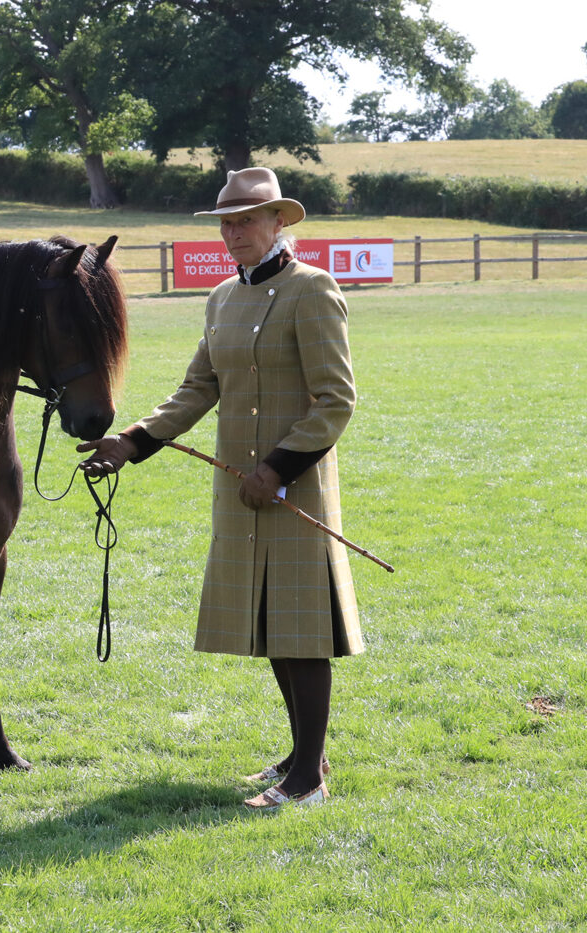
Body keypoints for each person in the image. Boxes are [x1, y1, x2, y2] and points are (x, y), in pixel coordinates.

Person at [77, 167, 361, 810]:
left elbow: (335, 401)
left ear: (278, 222)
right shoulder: (221, 297)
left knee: (301, 628)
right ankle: (299, 755)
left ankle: (309, 782)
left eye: (247, 220)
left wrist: (279, 468)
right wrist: (133, 442)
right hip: (240, 490)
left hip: (295, 488)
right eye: (226, 222)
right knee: (270, 621)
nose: (235, 232)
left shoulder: (313, 290)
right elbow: (199, 388)